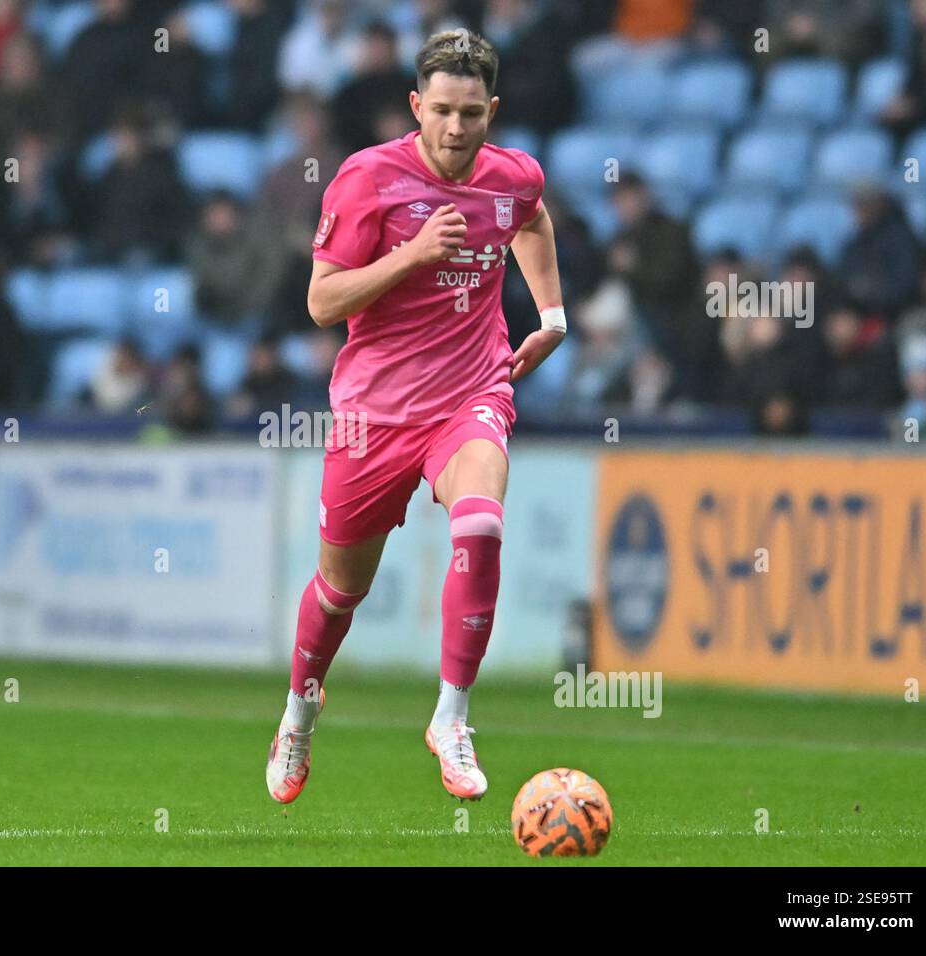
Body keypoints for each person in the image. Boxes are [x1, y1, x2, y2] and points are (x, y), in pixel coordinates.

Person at [266, 30, 566, 804]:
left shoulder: (513, 176)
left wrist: (553, 313)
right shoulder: (368, 180)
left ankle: (451, 717)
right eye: (441, 111)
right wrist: (411, 256)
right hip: (373, 415)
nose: (456, 128)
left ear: (492, 109)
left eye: (471, 113)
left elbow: (530, 217)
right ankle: (300, 711)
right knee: (340, 593)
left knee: (481, 523)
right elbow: (321, 301)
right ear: (415, 106)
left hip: (471, 394)